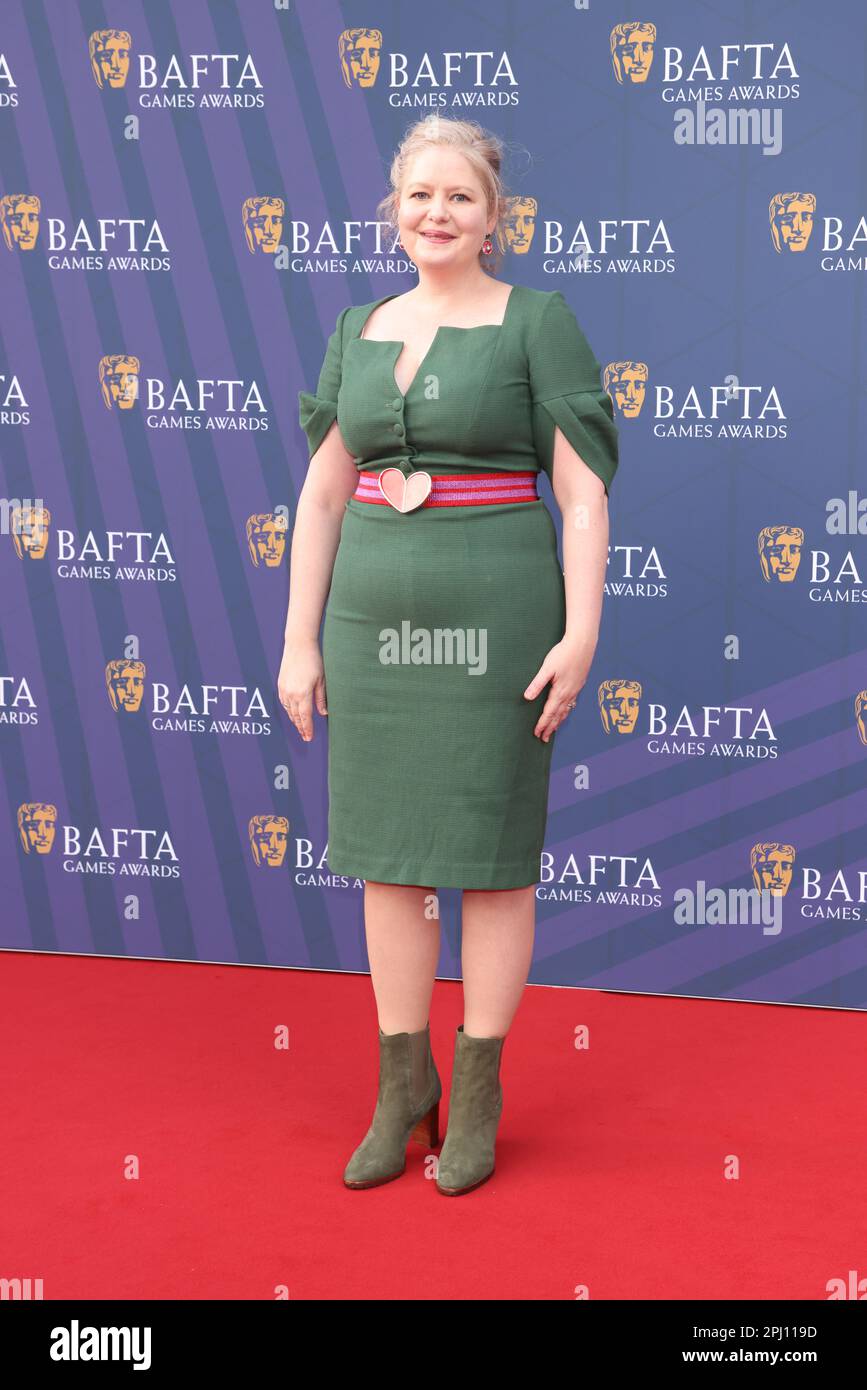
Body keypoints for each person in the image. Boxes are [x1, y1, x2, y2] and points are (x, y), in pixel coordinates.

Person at [279, 114, 619, 1195]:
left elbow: (580, 489)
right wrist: (298, 639)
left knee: (491, 859)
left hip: (501, 626)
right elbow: (327, 488)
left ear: (493, 218)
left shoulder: (538, 322)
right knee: (389, 857)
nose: (437, 212)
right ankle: (402, 1085)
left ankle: (476, 1090)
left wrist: (581, 629)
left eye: (460, 198)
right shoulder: (357, 325)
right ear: (395, 210)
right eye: (420, 195)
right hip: (370, 629)